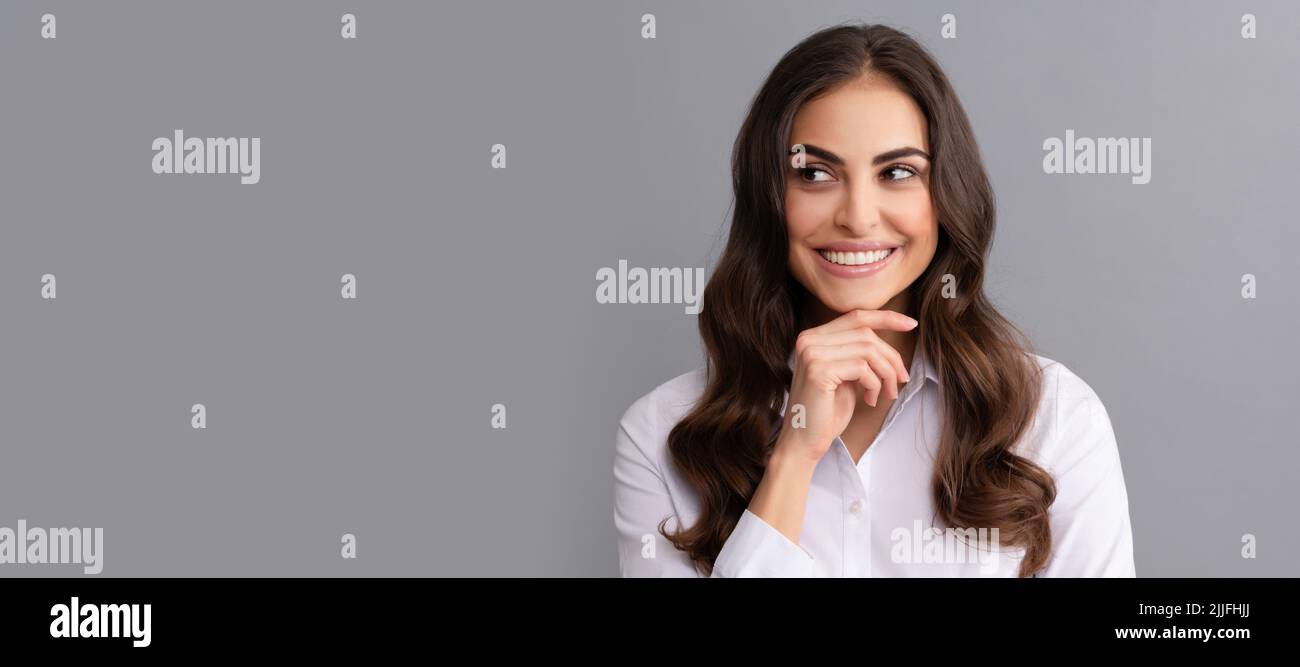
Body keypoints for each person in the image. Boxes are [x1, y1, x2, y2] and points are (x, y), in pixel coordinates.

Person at [613, 23, 1135, 577]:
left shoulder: (1053, 419)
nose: (858, 216)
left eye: (898, 172)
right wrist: (792, 457)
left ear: (945, 196)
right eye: (814, 173)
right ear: (769, 196)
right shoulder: (661, 435)